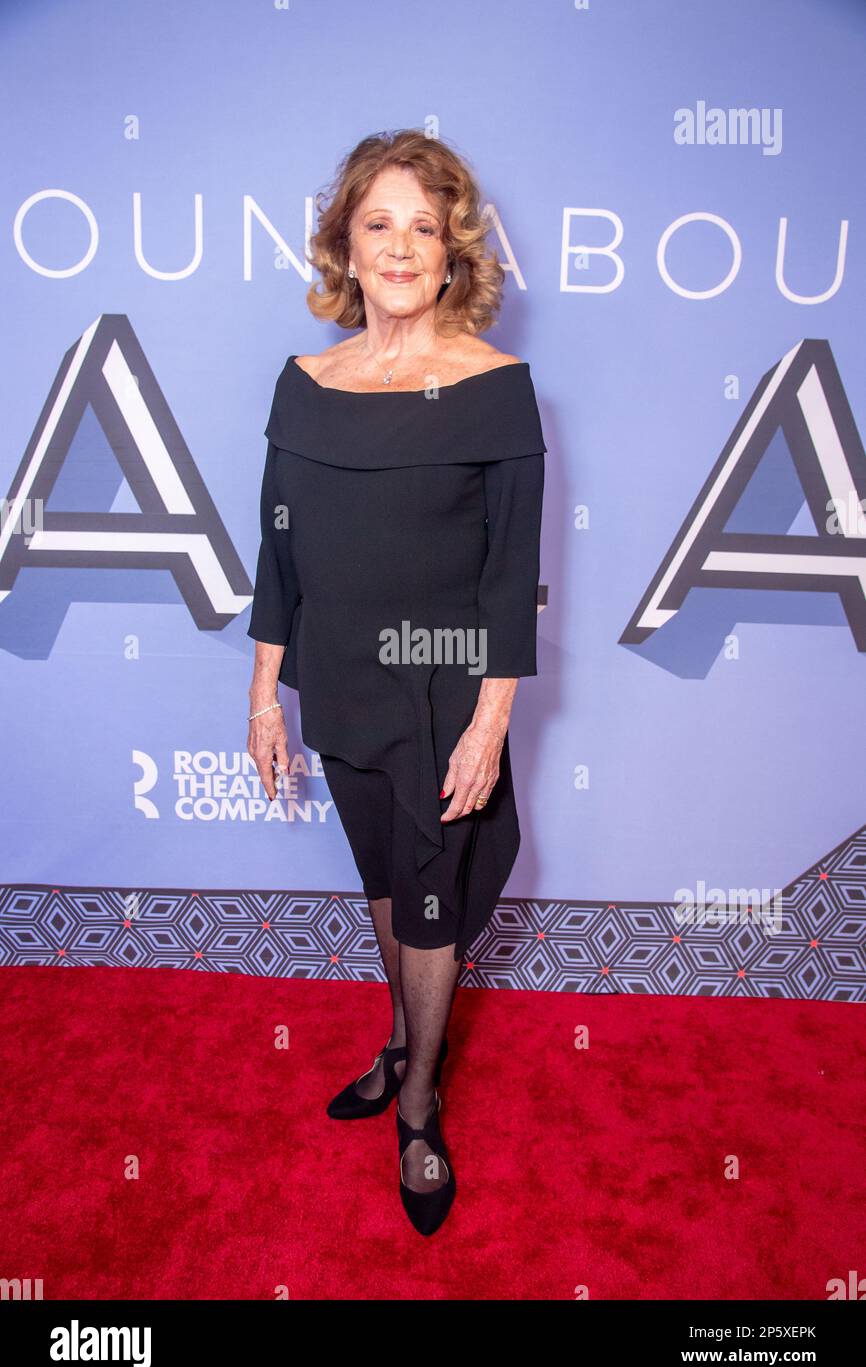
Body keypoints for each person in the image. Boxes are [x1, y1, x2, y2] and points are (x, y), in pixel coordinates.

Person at [246, 129, 547, 1237]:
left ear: (452, 247)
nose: (401, 245)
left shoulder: (496, 388)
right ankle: (401, 1040)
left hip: (439, 695)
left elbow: (512, 576)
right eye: (379, 222)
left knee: (428, 900)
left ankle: (418, 1102)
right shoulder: (305, 384)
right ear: (346, 244)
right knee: (383, 881)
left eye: (424, 224)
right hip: (338, 683)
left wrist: (489, 721)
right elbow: (277, 549)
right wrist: (263, 691)